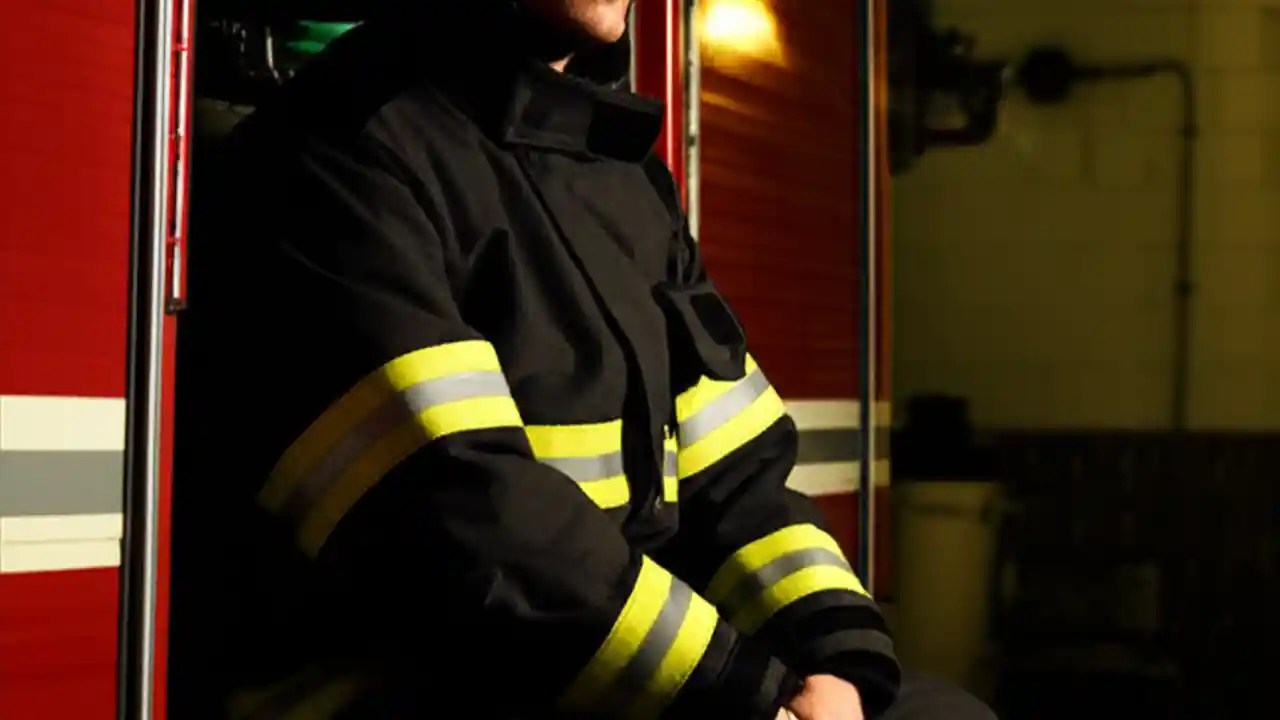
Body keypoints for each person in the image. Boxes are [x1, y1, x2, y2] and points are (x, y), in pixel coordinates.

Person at [171, 2, 995, 719]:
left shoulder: (621, 176)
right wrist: (745, 695)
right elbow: (462, 521)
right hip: (429, 694)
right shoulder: (341, 157)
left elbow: (736, 476)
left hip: (620, 685)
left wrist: (832, 666)